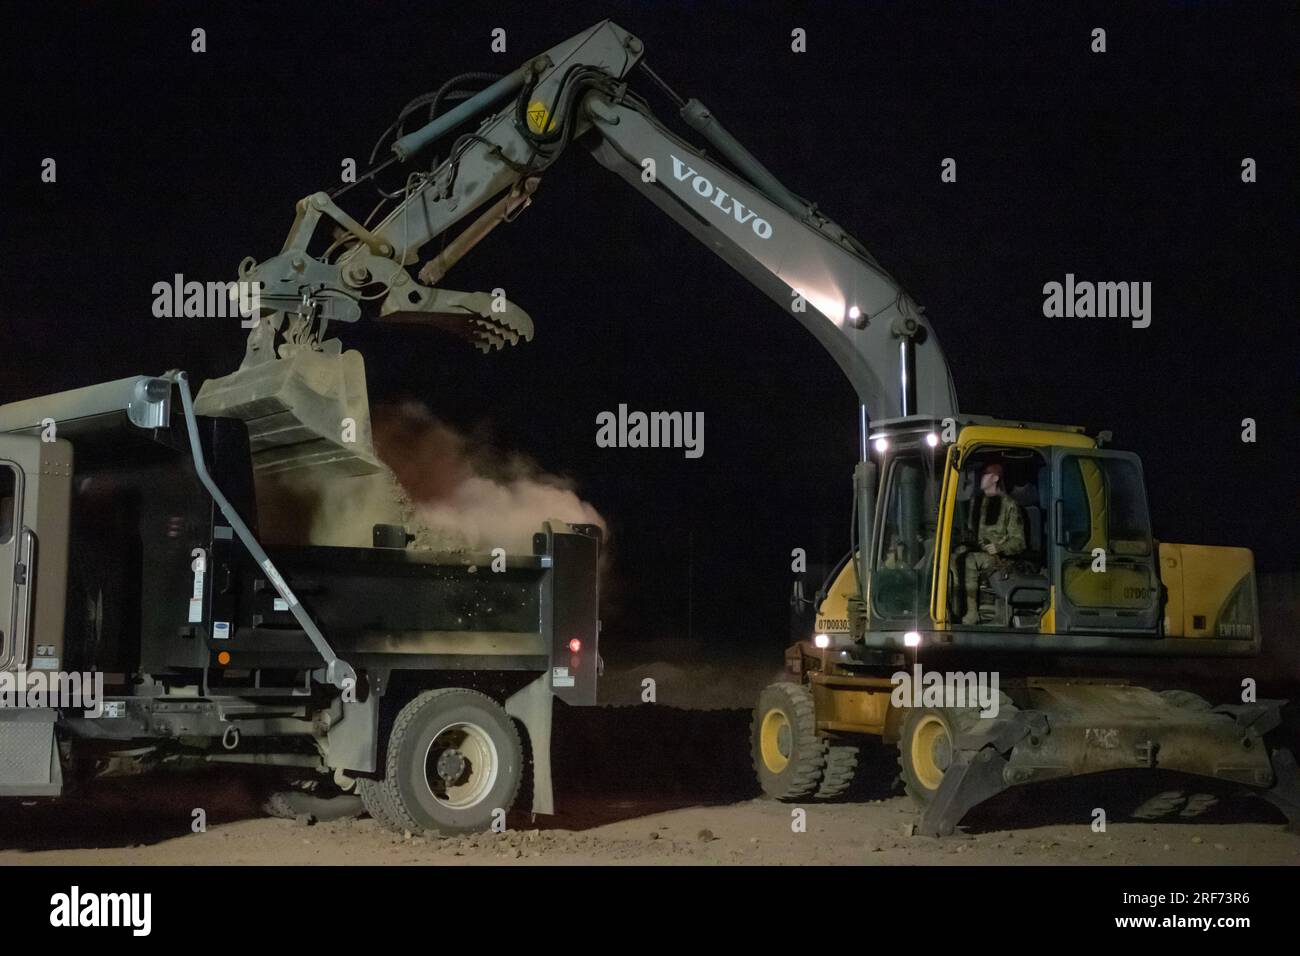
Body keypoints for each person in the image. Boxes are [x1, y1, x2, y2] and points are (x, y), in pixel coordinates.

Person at [955, 462, 1025, 625]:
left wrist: (999, 547)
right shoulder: (976, 503)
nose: (982, 477)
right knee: (953, 557)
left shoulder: (1009, 505)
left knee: (970, 560)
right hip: (977, 551)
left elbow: (1019, 542)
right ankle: (955, 609)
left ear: (995, 478)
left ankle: (971, 614)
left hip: (1000, 559)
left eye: (986, 474)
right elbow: (971, 532)